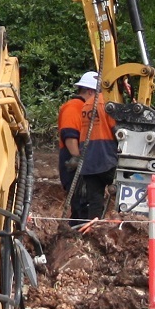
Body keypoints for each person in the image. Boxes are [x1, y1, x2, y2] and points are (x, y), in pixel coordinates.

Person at [57, 71, 118, 225]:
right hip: (74, 159)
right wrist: (78, 158)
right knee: (81, 205)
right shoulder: (74, 106)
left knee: (89, 204)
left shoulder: (85, 106)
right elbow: (69, 135)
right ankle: (77, 235)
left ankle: (81, 234)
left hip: (86, 158)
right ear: (91, 91)